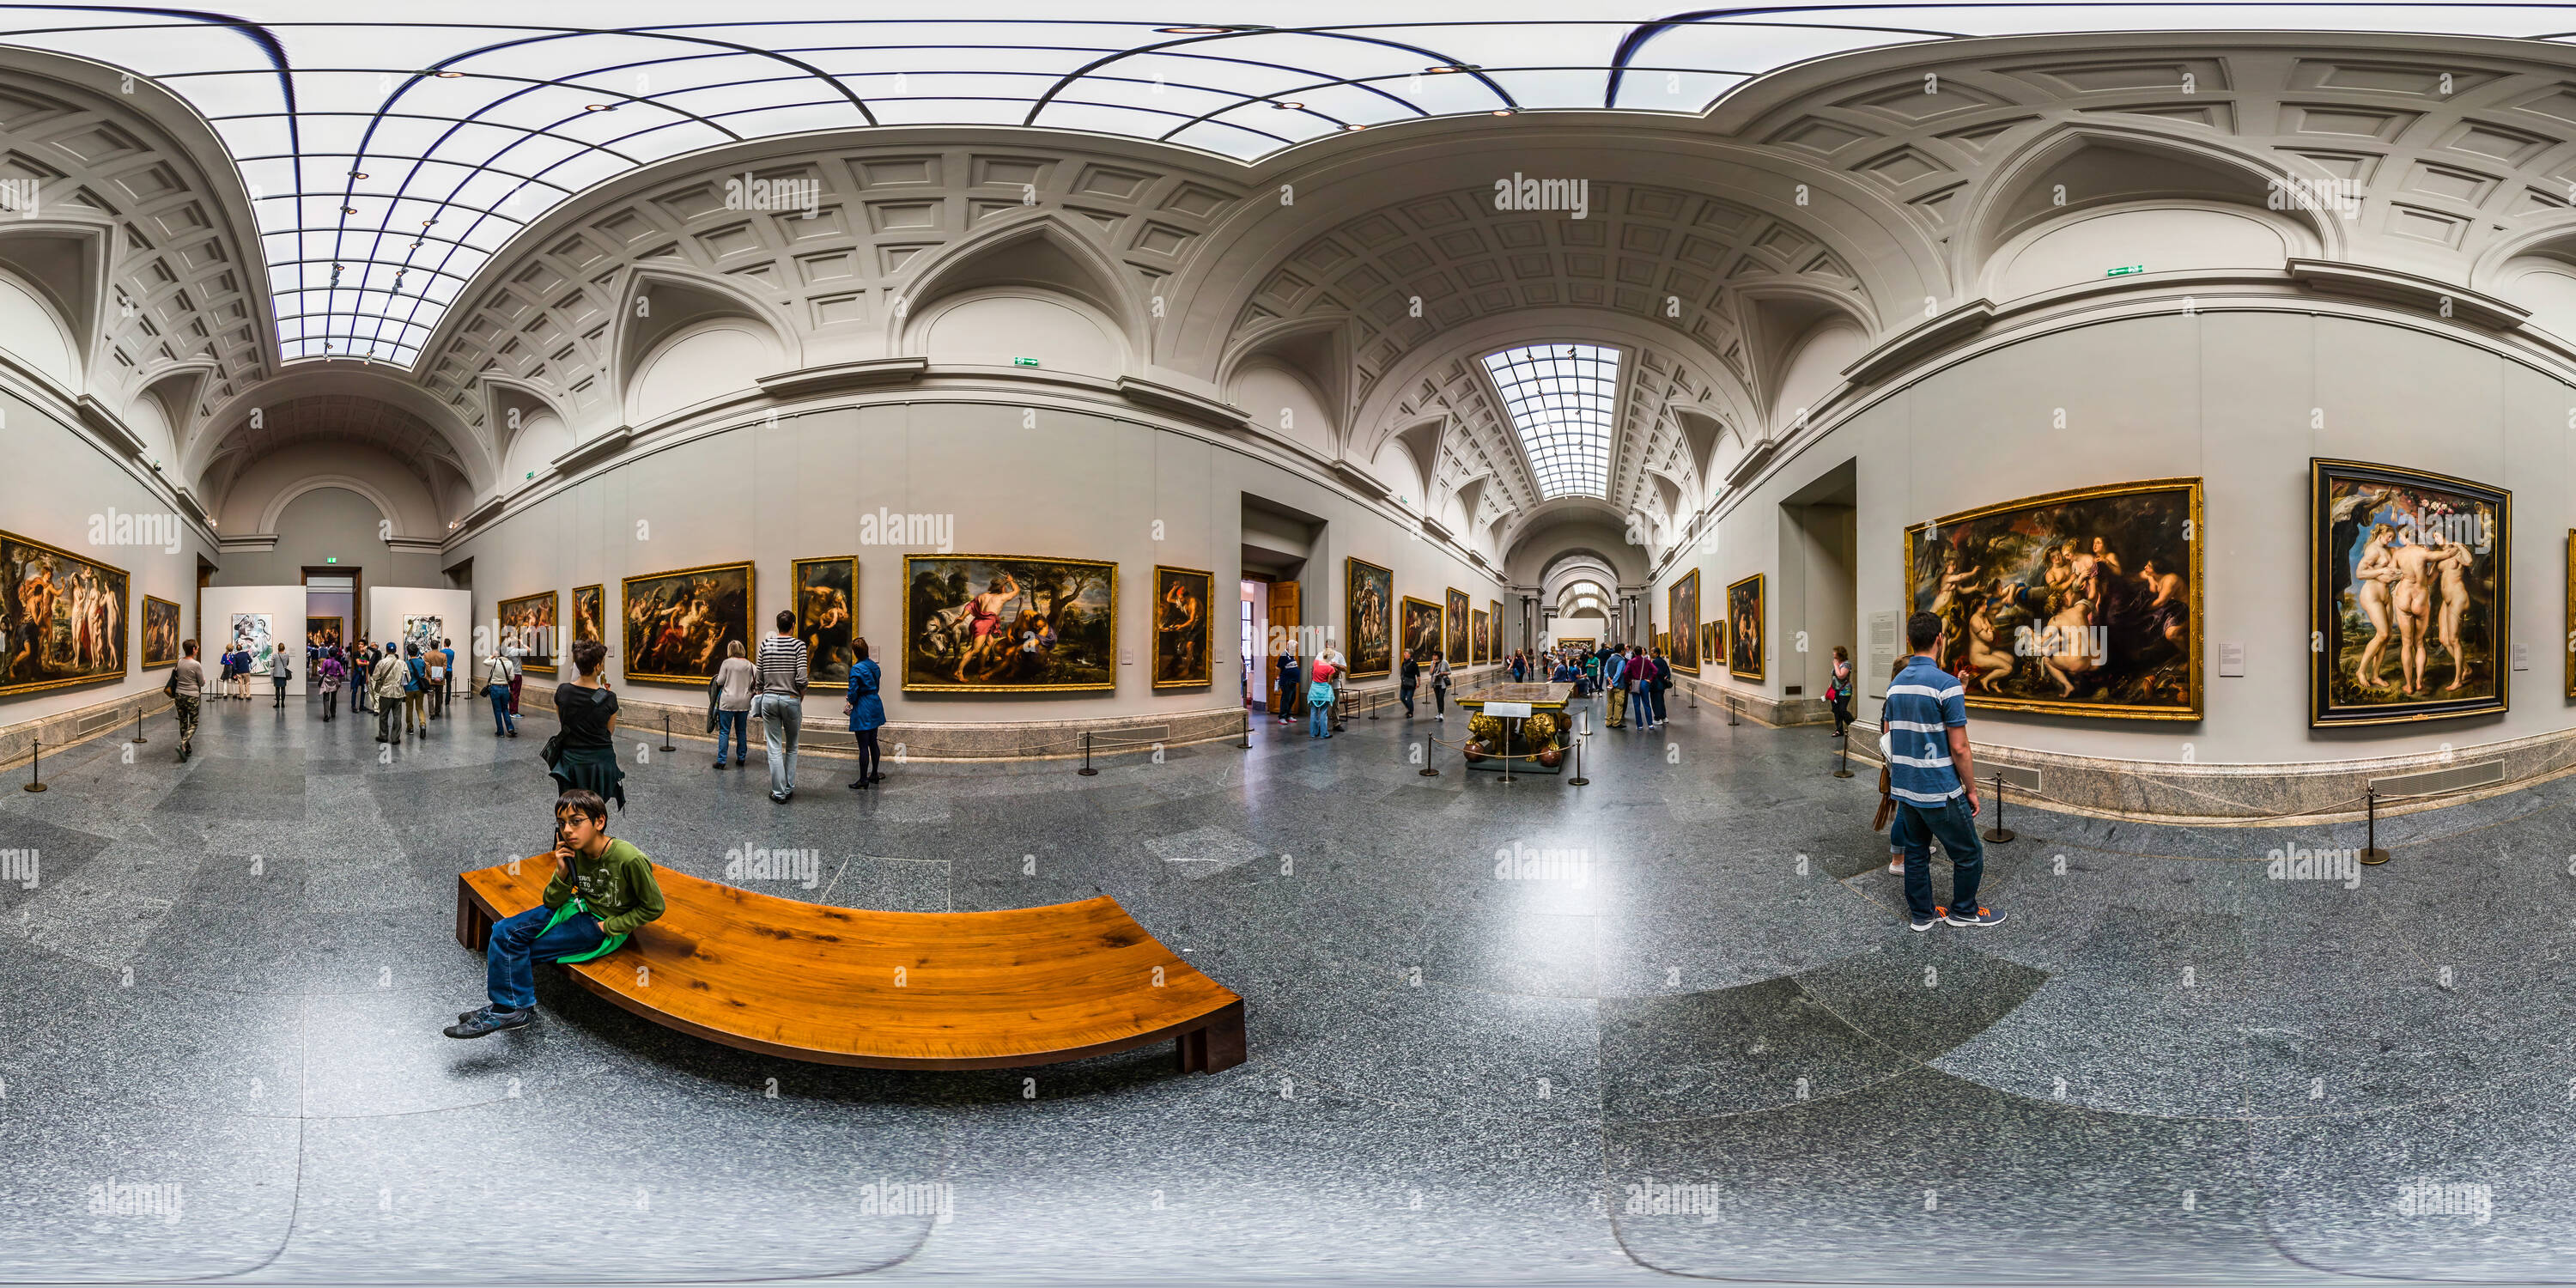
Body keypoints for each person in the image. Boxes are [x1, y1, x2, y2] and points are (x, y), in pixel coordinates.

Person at [446, 788, 664, 1039]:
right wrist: (561, 871)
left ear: (600, 821)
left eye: (576, 821)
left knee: (516, 950)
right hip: (570, 907)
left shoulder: (629, 858)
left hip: (599, 923)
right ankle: (509, 1008)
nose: (567, 830)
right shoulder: (573, 851)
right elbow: (551, 900)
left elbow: (654, 907)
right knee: (503, 931)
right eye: (561, 824)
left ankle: (508, 1008)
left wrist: (608, 927)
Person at [1886, 611, 2001, 930]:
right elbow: (1960, 747)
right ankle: (1964, 910)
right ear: (1940, 639)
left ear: (1910, 641)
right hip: (1939, 787)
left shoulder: (1895, 686)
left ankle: (1922, 915)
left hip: (1906, 787)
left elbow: (1902, 733)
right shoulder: (1945, 685)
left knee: (1917, 851)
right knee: (1969, 853)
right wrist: (1972, 789)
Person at [545, 639, 626, 810]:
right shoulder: (609, 698)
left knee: (572, 807)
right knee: (594, 809)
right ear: (597, 666)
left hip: (571, 762)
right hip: (599, 764)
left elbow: (564, 723)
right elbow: (609, 731)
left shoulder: (562, 691)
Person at [755, 609, 810, 803]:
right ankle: (788, 788)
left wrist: (761, 694)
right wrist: (799, 697)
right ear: (793, 625)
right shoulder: (799, 645)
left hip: (769, 699)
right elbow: (802, 678)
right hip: (791, 699)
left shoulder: (765, 645)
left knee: (774, 747)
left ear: (778, 625)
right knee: (792, 746)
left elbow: (758, 679)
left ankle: (778, 793)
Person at [845, 637, 886, 789]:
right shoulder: (874, 666)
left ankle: (863, 779)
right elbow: (876, 686)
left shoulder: (856, 669)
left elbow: (853, 693)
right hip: (875, 703)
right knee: (873, 742)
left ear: (855, 652)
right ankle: (874, 773)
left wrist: (849, 698)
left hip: (863, 707)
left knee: (863, 746)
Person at [711, 639, 755, 769]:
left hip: (728, 702)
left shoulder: (727, 663)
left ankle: (722, 761)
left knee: (724, 731)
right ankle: (741, 758)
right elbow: (757, 681)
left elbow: (720, 681)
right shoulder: (750, 665)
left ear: (730, 650)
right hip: (744, 702)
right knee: (741, 731)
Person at [167, 639, 204, 760]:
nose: (197, 649)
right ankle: (183, 744)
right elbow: (202, 682)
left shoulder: (179, 661)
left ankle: (186, 749)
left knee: (183, 722)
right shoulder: (196, 664)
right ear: (193, 649)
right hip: (191, 696)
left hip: (179, 695)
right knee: (194, 723)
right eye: (197, 647)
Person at [371, 643, 408, 743]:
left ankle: (383, 736)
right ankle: (395, 738)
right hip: (398, 692)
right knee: (397, 716)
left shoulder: (381, 662)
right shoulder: (402, 663)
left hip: (385, 692)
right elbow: (408, 678)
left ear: (386, 651)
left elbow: (375, 677)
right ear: (395, 651)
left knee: (383, 715)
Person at [483, 646, 519, 738]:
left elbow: (485, 662)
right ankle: (510, 728)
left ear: (498, 653)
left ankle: (500, 732)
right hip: (505, 689)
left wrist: (492, 656)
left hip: (495, 688)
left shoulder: (495, 661)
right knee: (505, 709)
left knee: (497, 710)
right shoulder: (510, 663)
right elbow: (512, 678)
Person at [402, 642, 430, 737]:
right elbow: (423, 673)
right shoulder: (421, 662)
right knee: (420, 708)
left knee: (409, 709)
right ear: (417, 651)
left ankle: (410, 728)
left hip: (409, 688)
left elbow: (404, 677)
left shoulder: (406, 663)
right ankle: (422, 724)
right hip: (419, 688)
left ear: (408, 652)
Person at [1306, 654, 1337, 739]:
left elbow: (1313, 673)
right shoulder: (1331, 669)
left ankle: (1313, 733)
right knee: (1323, 713)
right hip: (1324, 691)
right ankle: (1324, 734)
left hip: (1314, 690)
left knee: (1313, 713)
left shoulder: (1316, 662)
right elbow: (1329, 681)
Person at [1827, 645, 1855, 737]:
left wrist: (1835, 665)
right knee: (1836, 710)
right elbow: (1834, 677)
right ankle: (1839, 730)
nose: (1833, 653)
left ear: (1840, 653)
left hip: (1844, 691)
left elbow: (1841, 675)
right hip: (1835, 690)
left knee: (1842, 710)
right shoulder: (1837, 662)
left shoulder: (1846, 664)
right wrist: (1830, 688)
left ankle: (1853, 725)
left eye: (1835, 651)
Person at [315, 647, 343, 721]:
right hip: (335, 680)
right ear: (336, 654)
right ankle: (333, 713)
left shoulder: (326, 662)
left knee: (326, 698)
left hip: (327, 680)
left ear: (329, 654)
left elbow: (322, 672)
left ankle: (326, 715)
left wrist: (318, 670)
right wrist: (337, 674)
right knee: (334, 697)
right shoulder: (338, 663)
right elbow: (342, 673)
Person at [1603, 647, 1628, 729]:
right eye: (1624, 650)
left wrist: (1609, 680)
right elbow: (1619, 673)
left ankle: (1608, 722)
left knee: (1610, 703)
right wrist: (1613, 683)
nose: (1625, 652)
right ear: (1621, 651)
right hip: (1619, 686)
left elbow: (1605, 671)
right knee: (1619, 704)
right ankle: (1616, 723)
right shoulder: (1621, 660)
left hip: (1610, 685)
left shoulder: (1610, 658)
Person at [1428, 650, 1450, 720]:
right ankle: (1439, 713)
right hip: (1435, 683)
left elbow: (1450, 672)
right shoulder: (1432, 663)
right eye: (1433, 655)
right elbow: (1430, 673)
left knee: (1441, 697)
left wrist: (1443, 673)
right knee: (1437, 698)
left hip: (1442, 683)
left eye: (1435, 655)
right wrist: (1434, 664)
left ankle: (1441, 714)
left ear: (1439, 656)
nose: (1433, 656)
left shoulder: (1444, 662)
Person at [269, 641, 291, 708]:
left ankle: (278, 704)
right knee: (283, 688)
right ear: (284, 648)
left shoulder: (275, 655)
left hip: (276, 674)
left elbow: (272, 665)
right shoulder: (287, 655)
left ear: (278, 648)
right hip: (284, 674)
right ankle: (283, 703)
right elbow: (287, 664)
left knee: (277, 689)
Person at [1399, 649, 1421, 718]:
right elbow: (1402, 673)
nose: (1404, 654)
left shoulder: (1414, 663)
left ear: (1410, 654)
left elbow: (1418, 674)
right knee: (1402, 698)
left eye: (1405, 653)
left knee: (1409, 699)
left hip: (1411, 684)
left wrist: (1418, 683)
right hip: (1404, 683)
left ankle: (1411, 712)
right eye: (1404, 653)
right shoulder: (1403, 663)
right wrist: (1402, 680)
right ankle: (1409, 709)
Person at [440, 637, 458, 712]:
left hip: (443, 670)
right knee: (448, 686)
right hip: (450, 670)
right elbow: (451, 661)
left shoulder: (441, 652)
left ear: (444, 643)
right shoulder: (452, 652)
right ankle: (447, 702)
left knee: (440, 686)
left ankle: (440, 700)